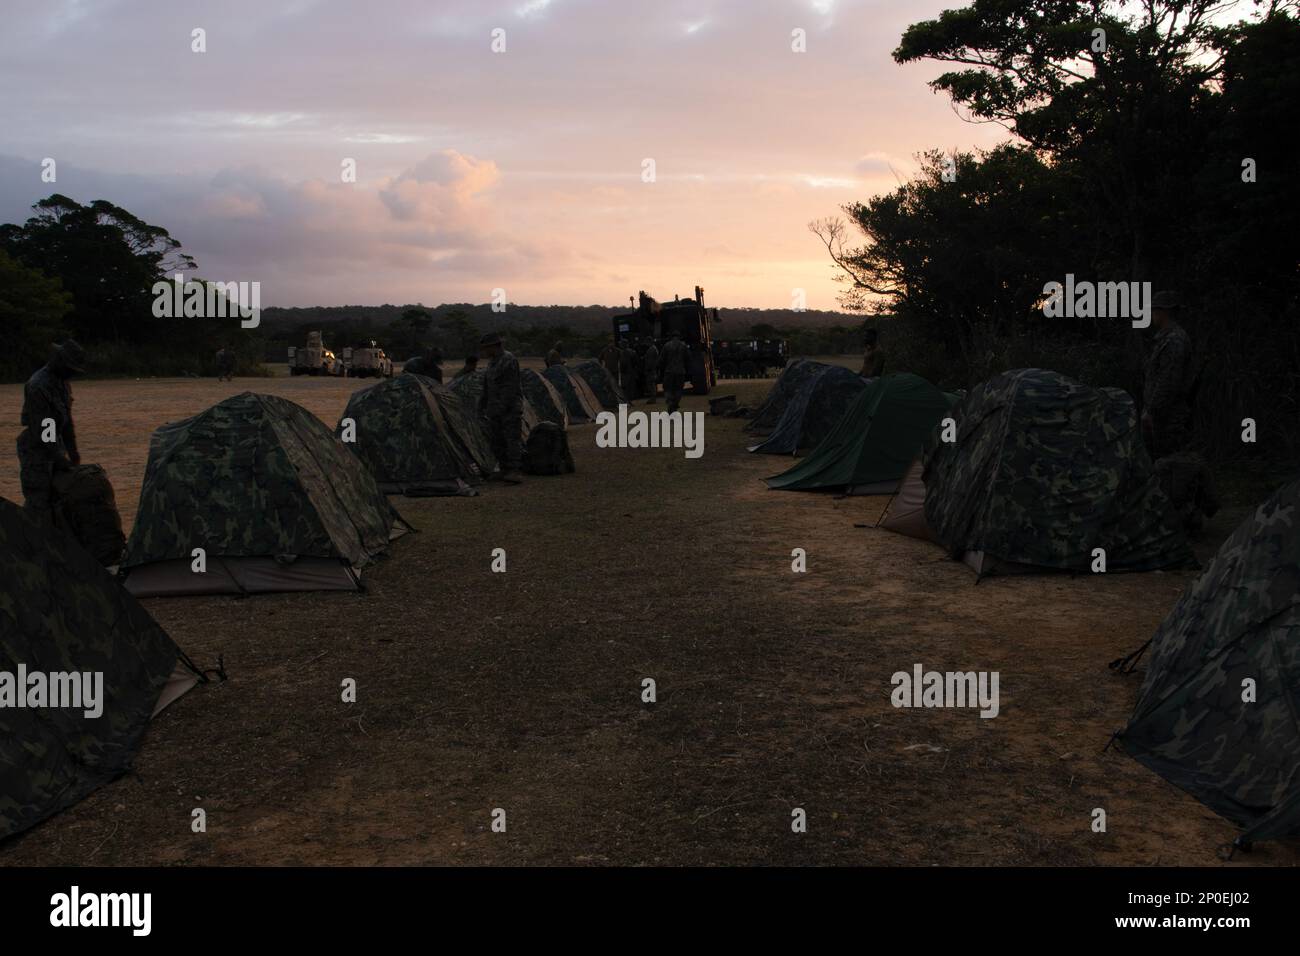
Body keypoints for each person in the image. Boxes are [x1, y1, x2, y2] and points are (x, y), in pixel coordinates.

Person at [17, 340, 86, 522]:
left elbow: (66, 421)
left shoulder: (62, 383)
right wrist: (60, 460)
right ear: (59, 362)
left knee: (59, 501)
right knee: (39, 503)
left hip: (55, 446)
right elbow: (44, 429)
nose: (71, 374)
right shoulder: (38, 386)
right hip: (37, 451)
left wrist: (73, 452)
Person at [1142, 291, 1194, 458]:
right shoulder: (1165, 338)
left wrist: (1151, 411)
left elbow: (1168, 381)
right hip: (1162, 413)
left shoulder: (1174, 340)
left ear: (1163, 312)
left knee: (1168, 462)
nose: (1152, 314)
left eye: (1154, 310)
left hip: (1168, 415)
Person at [479, 332, 523, 483]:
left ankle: (515, 470)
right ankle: (503, 469)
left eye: (486, 348)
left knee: (511, 439)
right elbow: (488, 385)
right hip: (494, 409)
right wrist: (482, 405)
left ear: (494, 346)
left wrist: (502, 407)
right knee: (497, 440)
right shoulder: (492, 362)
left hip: (509, 409)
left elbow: (510, 387)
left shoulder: (508, 360)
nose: (484, 351)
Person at [660, 330, 688, 413]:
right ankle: (675, 403)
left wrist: (661, 369)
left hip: (669, 371)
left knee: (668, 388)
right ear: (679, 337)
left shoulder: (666, 345)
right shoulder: (683, 346)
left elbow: (662, 359)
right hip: (680, 371)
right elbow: (688, 358)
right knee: (678, 389)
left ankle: (670, 402)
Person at [642, 340, 660, 404]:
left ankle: (653, 398)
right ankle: (653, 398)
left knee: (650, 384)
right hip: (653, 369)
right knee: (652, 384)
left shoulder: (651, 349)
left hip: (651, 370)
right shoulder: (653, 348)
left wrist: (648, 368)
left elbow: (650, 361)